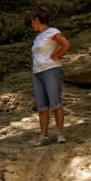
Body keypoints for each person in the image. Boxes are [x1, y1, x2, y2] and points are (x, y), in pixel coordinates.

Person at [30, 11, 70, 144]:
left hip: (51, 70)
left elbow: (65, 43)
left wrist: (56, 55)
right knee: (42, 106)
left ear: (38, 20)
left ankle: (60, 134)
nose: (31, 24)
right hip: (38, 73)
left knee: (55, 103)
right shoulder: (38, 37)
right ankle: (44, 135)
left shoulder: (52, 31)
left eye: (33, 21)